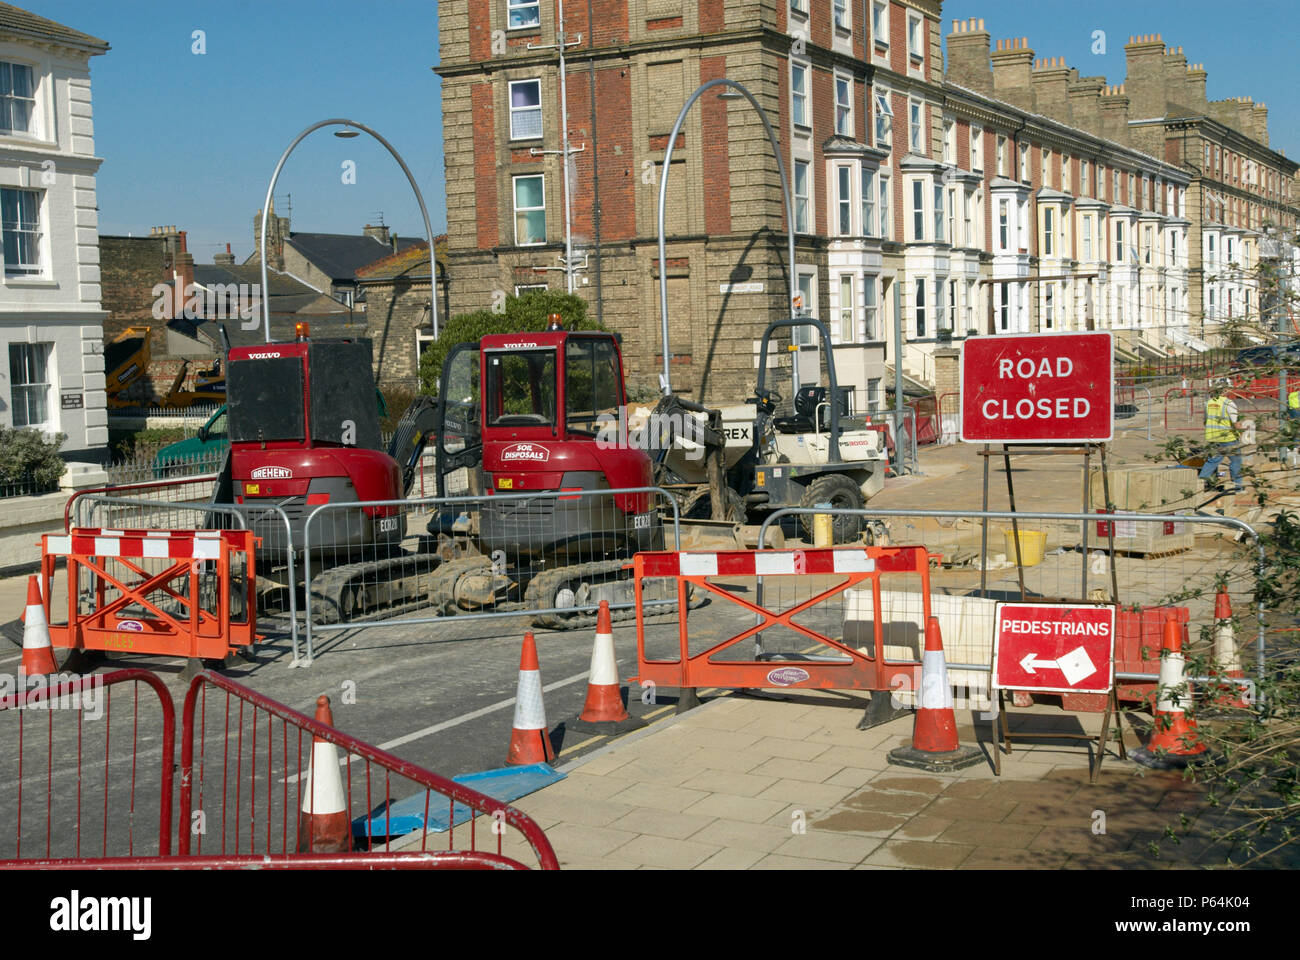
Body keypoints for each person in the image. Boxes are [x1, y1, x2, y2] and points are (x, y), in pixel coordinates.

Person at [1198, 380, 1245, 492]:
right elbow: (1235, 424)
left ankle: (1200, 485)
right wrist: (1244, 430)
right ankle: (1237, 487)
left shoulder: (1208, 403)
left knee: (1212, 461)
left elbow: (1205, 421)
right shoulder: (1229, 404)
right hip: (1228, 438)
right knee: (1236, 462)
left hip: (1213, 438)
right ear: (1225, 390)